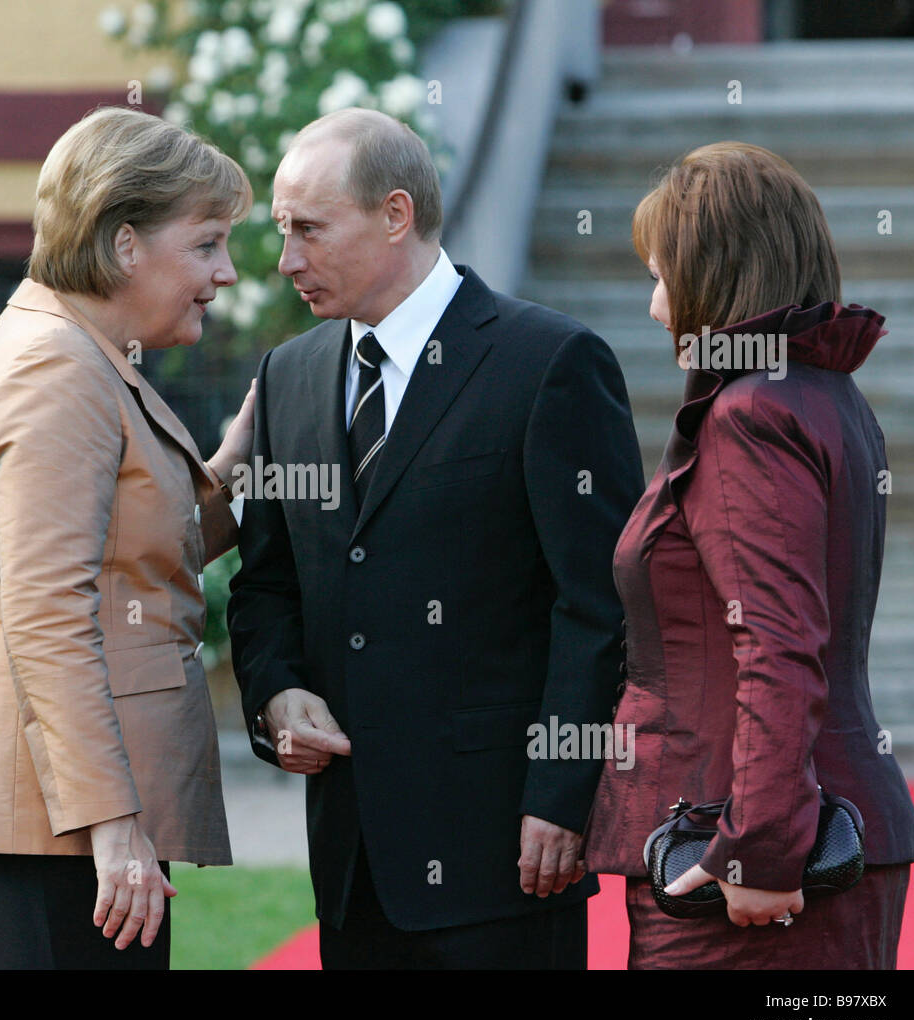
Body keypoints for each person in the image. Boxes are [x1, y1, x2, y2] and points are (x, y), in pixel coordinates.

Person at [226, 108, 644, 969]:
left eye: (308, 229)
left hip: (508, 860)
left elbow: (600, 604)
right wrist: (275, 695)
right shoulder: (287, 375)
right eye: (281, 232)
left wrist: (563, 795)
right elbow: (265, 582)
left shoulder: (551, 362)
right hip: (351, 870)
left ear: (395, 213)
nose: (286, 260)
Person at [0, 106, 255, 969]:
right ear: (125, 243)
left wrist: (243, 463)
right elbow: (48, 612)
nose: (227, 272)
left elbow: (132, 557)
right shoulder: (58, 368)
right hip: (54, 823)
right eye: (207, 244)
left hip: (59, 816)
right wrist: (111, 822)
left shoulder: (82, 350)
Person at [583, 142, 914, 969]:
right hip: (796, 841)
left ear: (716, 276)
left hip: (746, 870)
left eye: (664, 276)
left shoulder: (750, 416)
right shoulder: (825, 397)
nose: (658, 308)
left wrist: (758, 849)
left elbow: (777, 644)